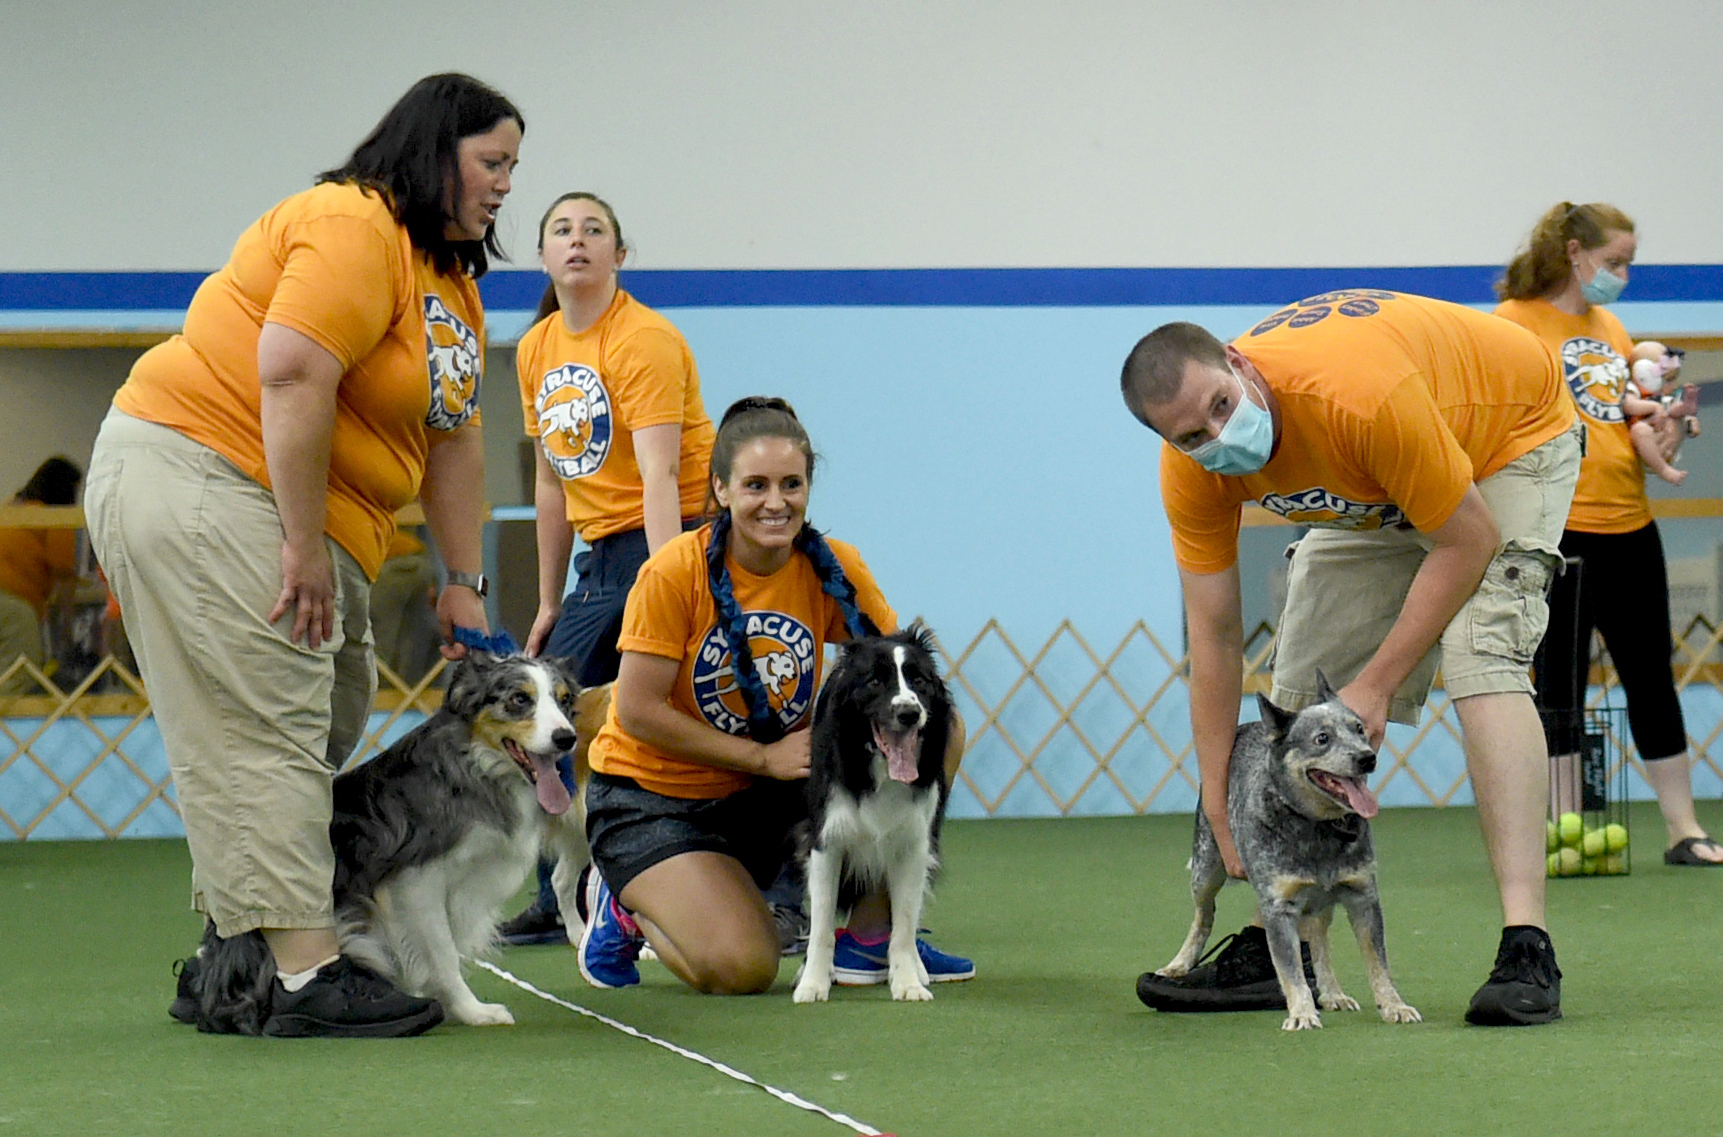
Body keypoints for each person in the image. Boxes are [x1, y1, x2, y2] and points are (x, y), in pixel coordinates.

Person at [82, 73, 523, 1036]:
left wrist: (461, 581)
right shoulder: (351, 223)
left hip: (300, 513)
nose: (503, 188)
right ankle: (301, 973)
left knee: (329, 708)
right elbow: (288, 370)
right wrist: (297, 541)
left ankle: (237, 957)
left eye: (511, 169)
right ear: (432, 151)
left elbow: (453, 437)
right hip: (210, 476)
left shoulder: (448, 279)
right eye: (491, 163)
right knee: (270, 723)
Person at [1120, 290, 1582, 1026]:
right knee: (1303, 690)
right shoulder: (1192, 473)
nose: (1216, 434)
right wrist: (1215, 795)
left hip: (1508, 434)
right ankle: (1285, 945)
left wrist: (1374, 685)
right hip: (1377, 477)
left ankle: (1526, 944)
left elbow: (1465, 539)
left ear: (1237, 363)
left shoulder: (1354, 398)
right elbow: (1210, 632)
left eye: (1219, 404)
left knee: (1478, 654)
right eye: (1190, 434)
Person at [574, 397, 973, 994]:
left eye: (792, 484)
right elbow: (636, 710)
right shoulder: (672, 575)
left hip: (768, 794)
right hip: (655, 797)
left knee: (938, 729)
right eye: (755, 484)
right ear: (721, 489)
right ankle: (625, 902)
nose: (775, 502)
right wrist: (763, 757)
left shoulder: (833, 566)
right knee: (743, 969)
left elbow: (891, 674)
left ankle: (870, 939)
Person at [497, 192, 717, 946]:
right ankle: (553, 889)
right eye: (562, 230)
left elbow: (660, 475)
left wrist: (670, 586)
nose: (578, 240)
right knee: (544, 703)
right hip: (602, 556)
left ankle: (770, 891)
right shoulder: (536, 349)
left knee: (701, 702)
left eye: (595, 230)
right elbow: (550, 482)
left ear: (619, 254)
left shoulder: (644, 339)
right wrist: (549, 595)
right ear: (545, 255)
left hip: (679, 538)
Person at [1495, 202, 1723, 867]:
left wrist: (1665, 427)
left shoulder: (1611, 327)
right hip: (1555, 529)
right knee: (1558, 681)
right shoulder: (1512, 323)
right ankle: (1567, 826)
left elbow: (1625, 419)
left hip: (1629, 521)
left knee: (1651, 672)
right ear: (1573, 252)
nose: (1620, 275)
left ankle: (1683, 828)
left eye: (1627, 263)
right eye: (1614, 262)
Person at [0, 457, 83, 695]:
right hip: (14, 604)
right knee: (21, 673)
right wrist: (66, 632)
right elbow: (64, 579)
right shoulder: (56, 517)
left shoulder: (11, 507)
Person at [1622, 339, 1699, 487]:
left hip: (1664, 439)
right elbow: (1628, 405)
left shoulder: (1660, 393)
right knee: (1640, 430)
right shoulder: (1634, 389)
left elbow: (1670, 410)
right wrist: (1653, 407)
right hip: (1644, 442)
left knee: (1675, 411)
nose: (1667, 384)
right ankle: (1664, 470)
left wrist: (1686, 413)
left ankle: (1686, 407)